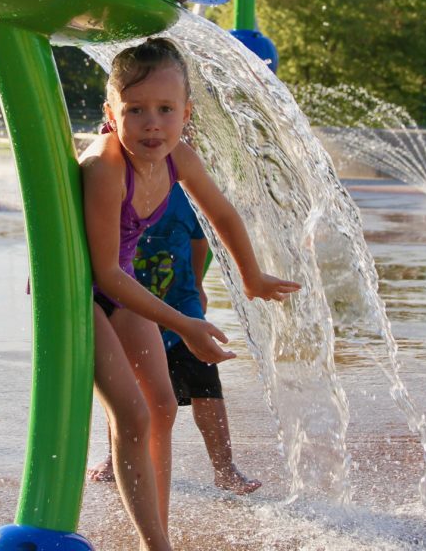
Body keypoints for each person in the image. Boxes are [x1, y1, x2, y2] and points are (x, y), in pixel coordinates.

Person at [79, 37, 300, 551]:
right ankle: (157, 545)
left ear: (186, 113)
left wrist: (251, 276)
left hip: (121, 290)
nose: (152, 123)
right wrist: (185, 324)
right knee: (131, 413)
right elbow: (105, 273)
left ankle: (158, 531)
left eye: (165, 109)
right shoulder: (106, 167)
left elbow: (221, 214)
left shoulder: (178, 157)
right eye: (135, 110)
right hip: (80, 295)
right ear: (110, 113)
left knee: (162, 405)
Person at [88, 183, 261, 495]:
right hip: (129, 308)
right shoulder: (118, 185)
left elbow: (199, 241)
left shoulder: (188, 194)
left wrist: (197, 283)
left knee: (206, 384)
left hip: (182, 305)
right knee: (126, 388)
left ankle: (224, 468)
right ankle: (115, 456)